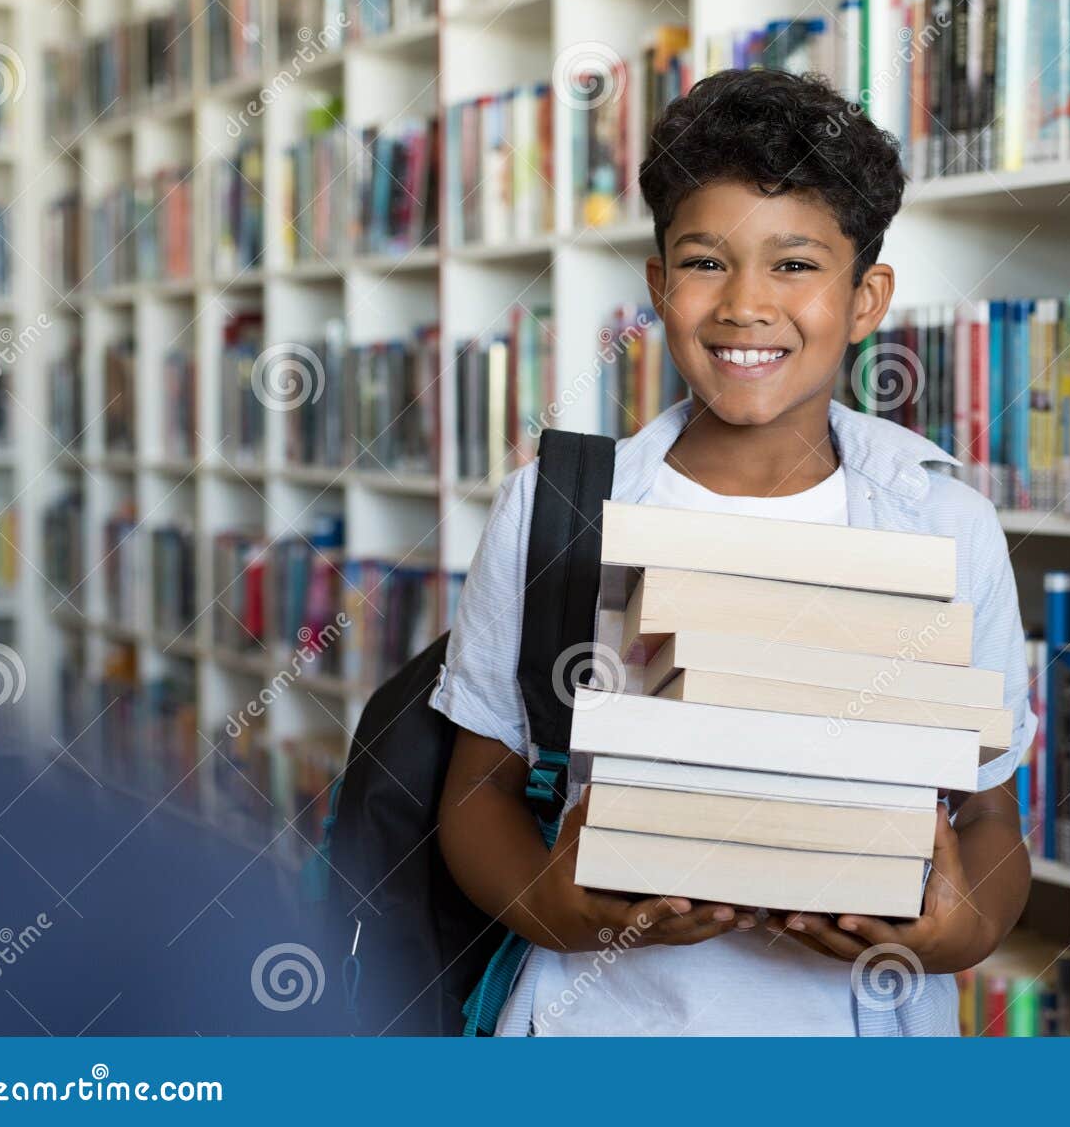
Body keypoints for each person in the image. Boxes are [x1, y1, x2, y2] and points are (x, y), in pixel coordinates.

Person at [432, 68, 1037, 1035]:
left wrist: (956, 936)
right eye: (707, 262)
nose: (745, 305)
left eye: (795, 264)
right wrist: (560, 909)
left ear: (867, 294)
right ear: (660, 285)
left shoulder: (945, 524)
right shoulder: (563, 507)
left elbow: (991, 818)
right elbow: (479, 785)